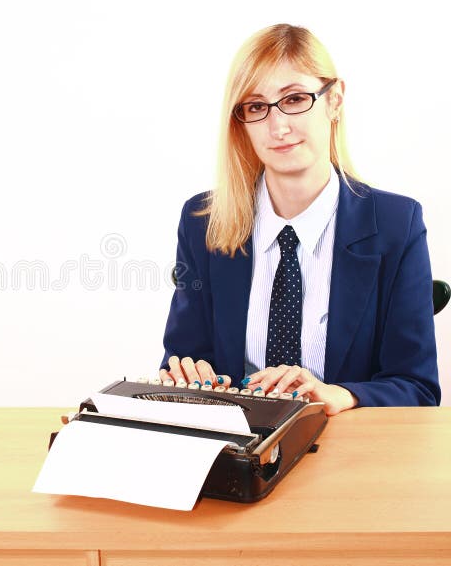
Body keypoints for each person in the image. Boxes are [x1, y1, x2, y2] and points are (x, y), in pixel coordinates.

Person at [159, 23, 440, 415]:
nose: (278, 127)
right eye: (256, 107)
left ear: (334, 99)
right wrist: (189, 376)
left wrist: (339, 395)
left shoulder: (397, 223)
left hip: (345, 455)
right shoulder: (202, 221)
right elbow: (182, 360)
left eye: (294, 99)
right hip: (238, 454)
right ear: (240, 122)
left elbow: (416, 388)